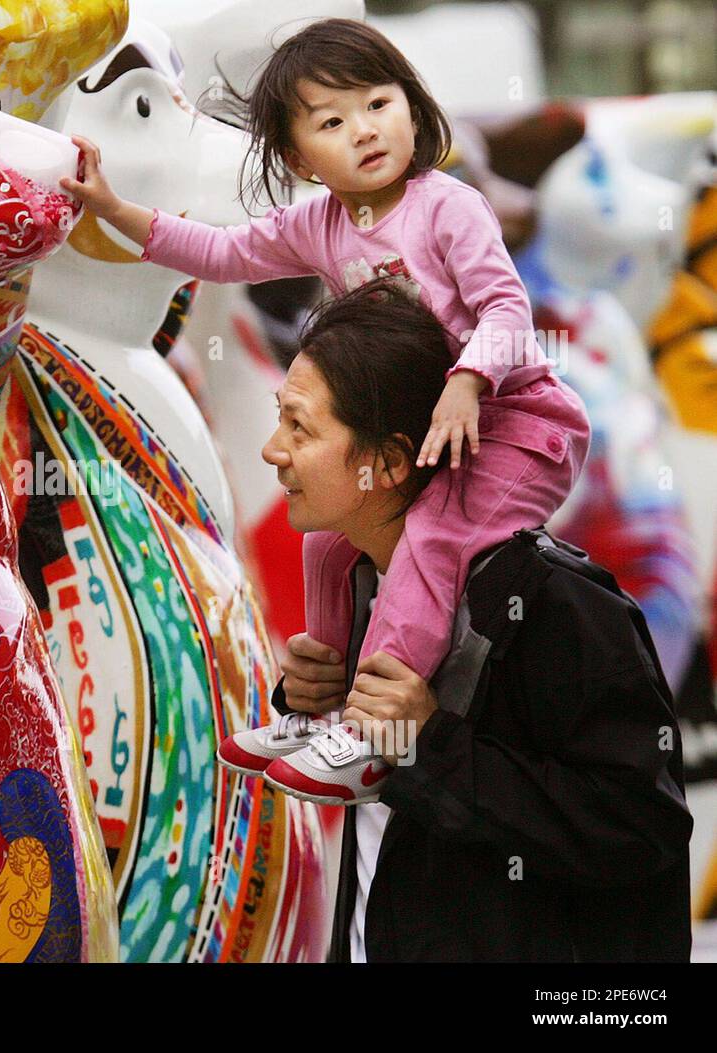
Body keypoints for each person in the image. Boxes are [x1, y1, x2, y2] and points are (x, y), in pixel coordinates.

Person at [58, 17, 592, 805]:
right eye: (332, 122)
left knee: (433, 536)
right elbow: (217, 251)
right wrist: (110, 206)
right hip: (427, 439)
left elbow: (508, 313)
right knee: (327, 541)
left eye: (378, 104)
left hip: (517, 427)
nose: (365, 131)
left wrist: (468, 382)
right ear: (300, 157)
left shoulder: (449, 207)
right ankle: (320, 710)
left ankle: (378, 731)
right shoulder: (322, 224)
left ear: (413, 106)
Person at [261, 279, 691, 961]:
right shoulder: (359, 589)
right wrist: (313, 701)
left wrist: (431, 741)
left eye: (299, 427)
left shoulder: (556, 604)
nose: (271, 450)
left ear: (390, 460)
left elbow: (644, 829)